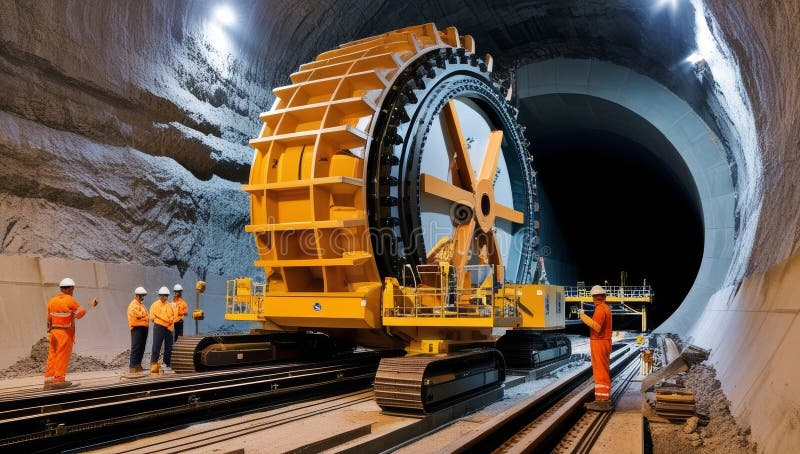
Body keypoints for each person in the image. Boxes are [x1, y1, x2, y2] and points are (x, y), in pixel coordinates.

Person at [44, 278, 98, 390]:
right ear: (70, 289)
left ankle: (48, 380)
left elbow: (49, 318)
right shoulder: (70, 300)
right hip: (65, 333)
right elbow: (80, 313)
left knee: (52, 355)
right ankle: (59, 380)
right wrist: (91, 305)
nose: (73, 291)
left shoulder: (52, 300)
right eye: (73, 289)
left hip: (53, 332)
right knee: (62, 356)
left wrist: (49, 331)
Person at [579, 285, 613, 411]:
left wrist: (583, 317)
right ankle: (603, 398)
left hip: (599, 342)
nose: (595, 298)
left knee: (600, 372)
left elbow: (597, 327)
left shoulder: (600, 309)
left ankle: (602, 401)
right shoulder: (606, 308)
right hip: (604, 342)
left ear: (595, 298)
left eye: (595, 296)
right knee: (603, 370)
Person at [149, 286, 177, 375]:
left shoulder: (169, 305)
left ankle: (166, 363)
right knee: (156, 346)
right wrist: (166, 319)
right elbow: (152, 317)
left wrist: (164, 319)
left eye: (165, 295)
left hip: (168, 328)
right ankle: (153, 364)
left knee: (169, 347)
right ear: (159, 295)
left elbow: (172, 317)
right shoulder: (155, 305)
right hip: (159, 327)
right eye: (162, 295)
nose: (164, 297)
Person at [127, 287, 149, 374]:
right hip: (137, 328)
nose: (142, 298)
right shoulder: (133, 305)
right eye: (141, 296)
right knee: (136, 347)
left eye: (143, 296)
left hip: (143, 328)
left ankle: (138, 365)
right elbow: (138, 315)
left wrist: (143, 316)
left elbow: (147, 315)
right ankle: (132, 366)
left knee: (141, 347)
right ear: (136, 295)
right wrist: (143, 315)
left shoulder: (141, 305)